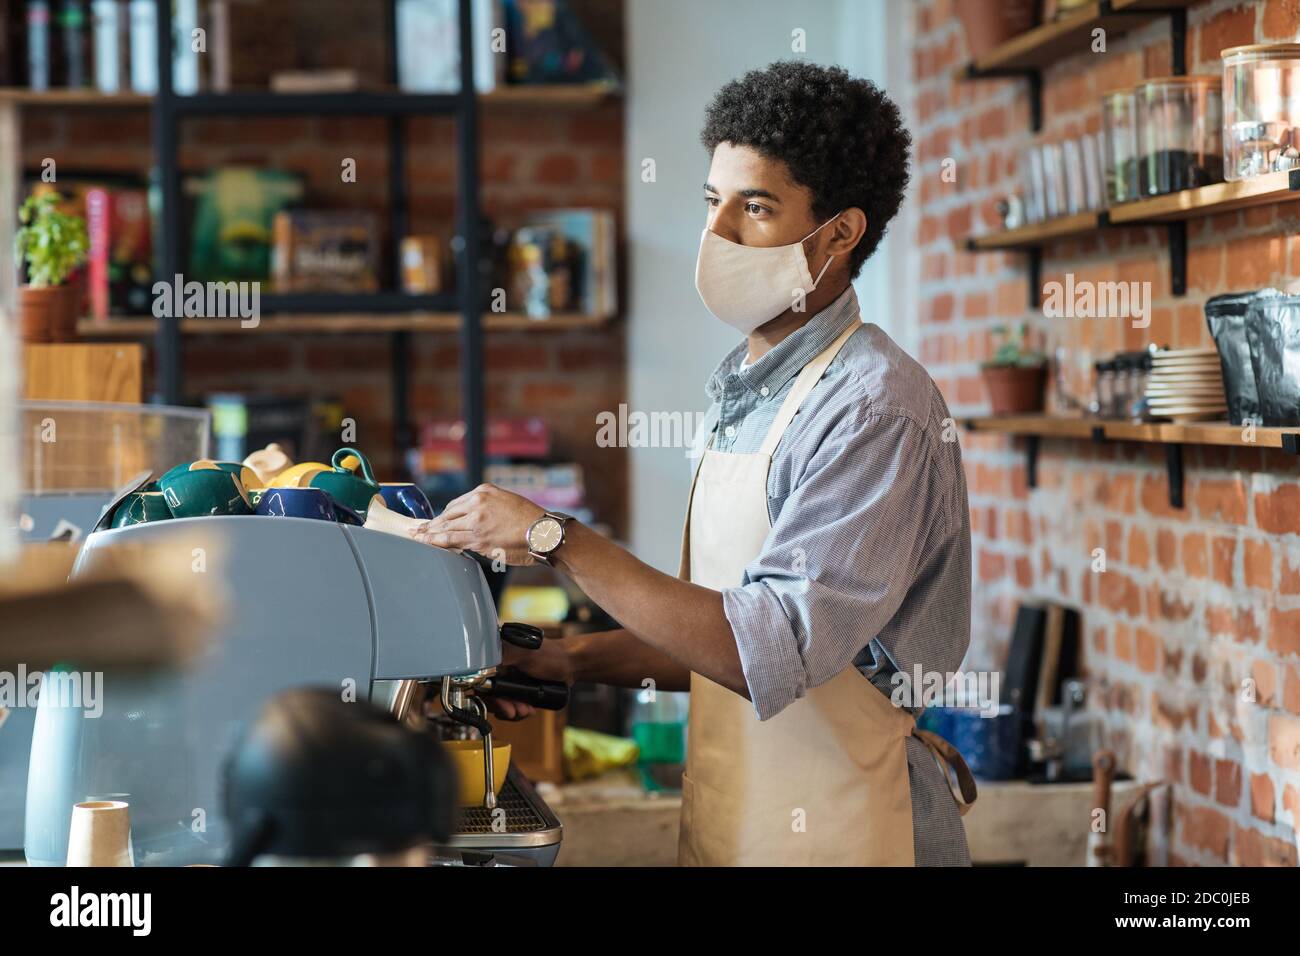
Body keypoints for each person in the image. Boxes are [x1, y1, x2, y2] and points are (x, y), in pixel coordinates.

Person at [419, 61, 975, 866]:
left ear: (842, 232)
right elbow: (724, 619)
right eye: (713, 201)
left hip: (852, 833)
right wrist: (573, 659)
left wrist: (551, 536)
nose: (717, 235)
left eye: (756, 207)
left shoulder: (873, 410)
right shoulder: (749, 390)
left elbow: (767, 649)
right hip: (734, 826)